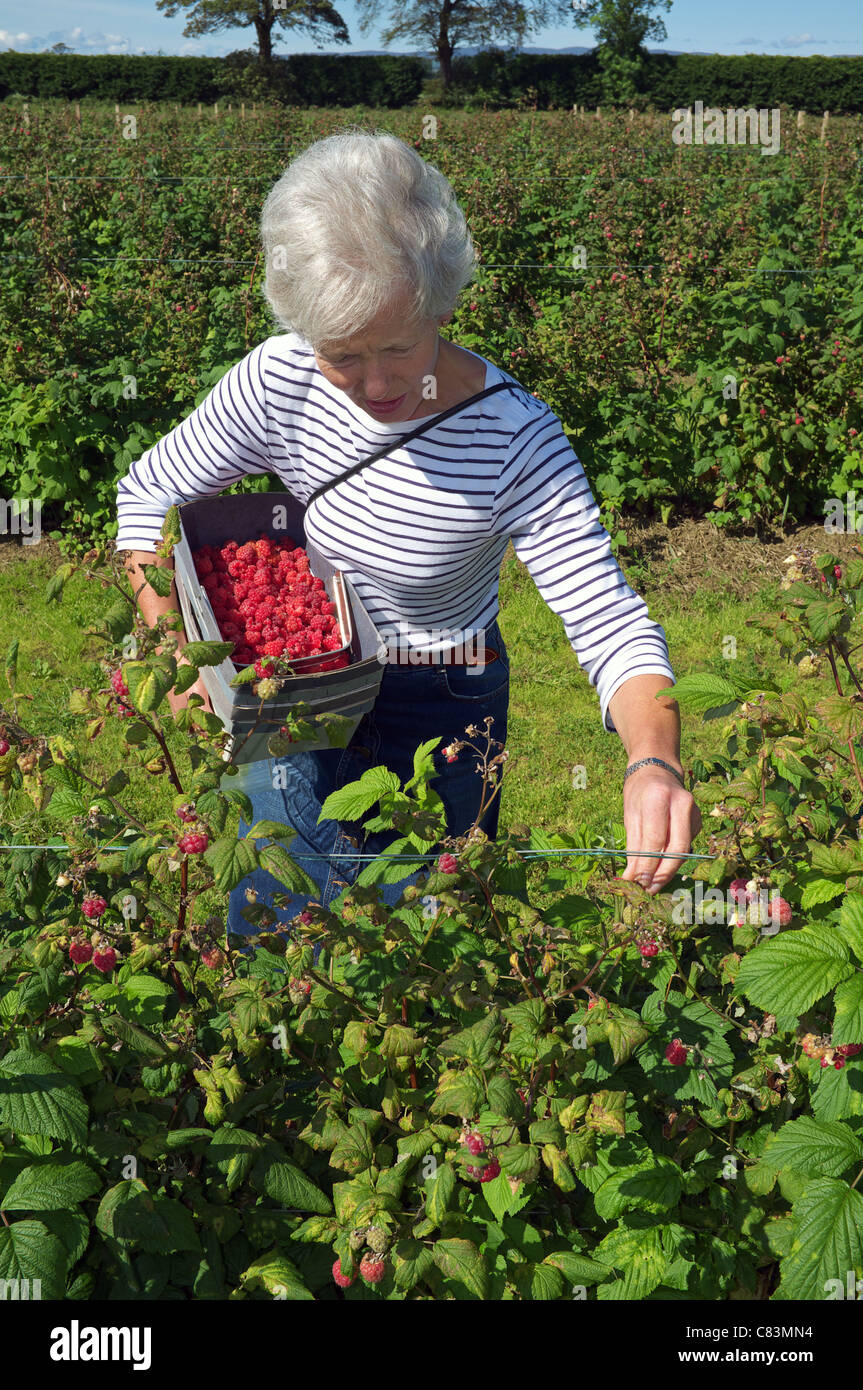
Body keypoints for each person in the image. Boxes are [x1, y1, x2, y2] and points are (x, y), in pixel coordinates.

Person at [114, 127, 701, 939]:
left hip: (441, 696)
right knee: (279, 910)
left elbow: (606, 621)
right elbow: (147, 495)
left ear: (442, 301)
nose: (374, 382)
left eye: (395, 345)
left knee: (428, 937)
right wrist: (171, 642)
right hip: (292, 687)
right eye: (341, 355)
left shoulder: (514, 438)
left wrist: (653, 760)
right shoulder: (279, 380)